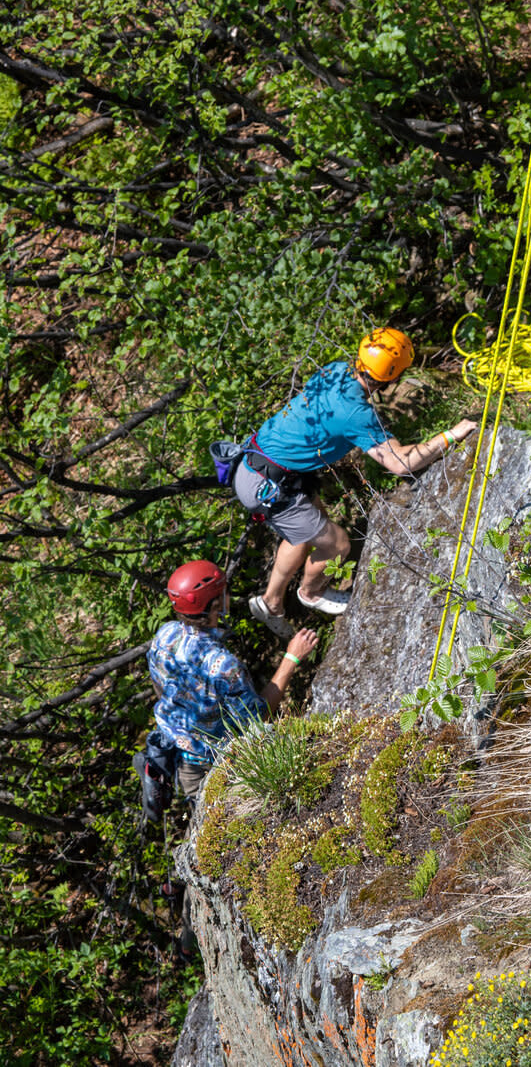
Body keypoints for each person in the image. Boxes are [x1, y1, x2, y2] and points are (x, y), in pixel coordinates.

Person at [233, 327, 477, 637]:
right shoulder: (355, 414)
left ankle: (270, 602)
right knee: (337, 545)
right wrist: (452, 434)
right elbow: (400, 463)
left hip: (256, 464)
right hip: (270, 484)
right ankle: (310, 593)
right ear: (393, 378)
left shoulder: (335, 371)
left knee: (307, 529)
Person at [147, 559, 318, 801]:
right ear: (216, 604)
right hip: (212, 765)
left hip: (177, 754)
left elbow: (159, 687)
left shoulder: (165, 635)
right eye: (224, 592)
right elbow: (258, 717)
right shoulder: (224, 667)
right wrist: (292, 658)